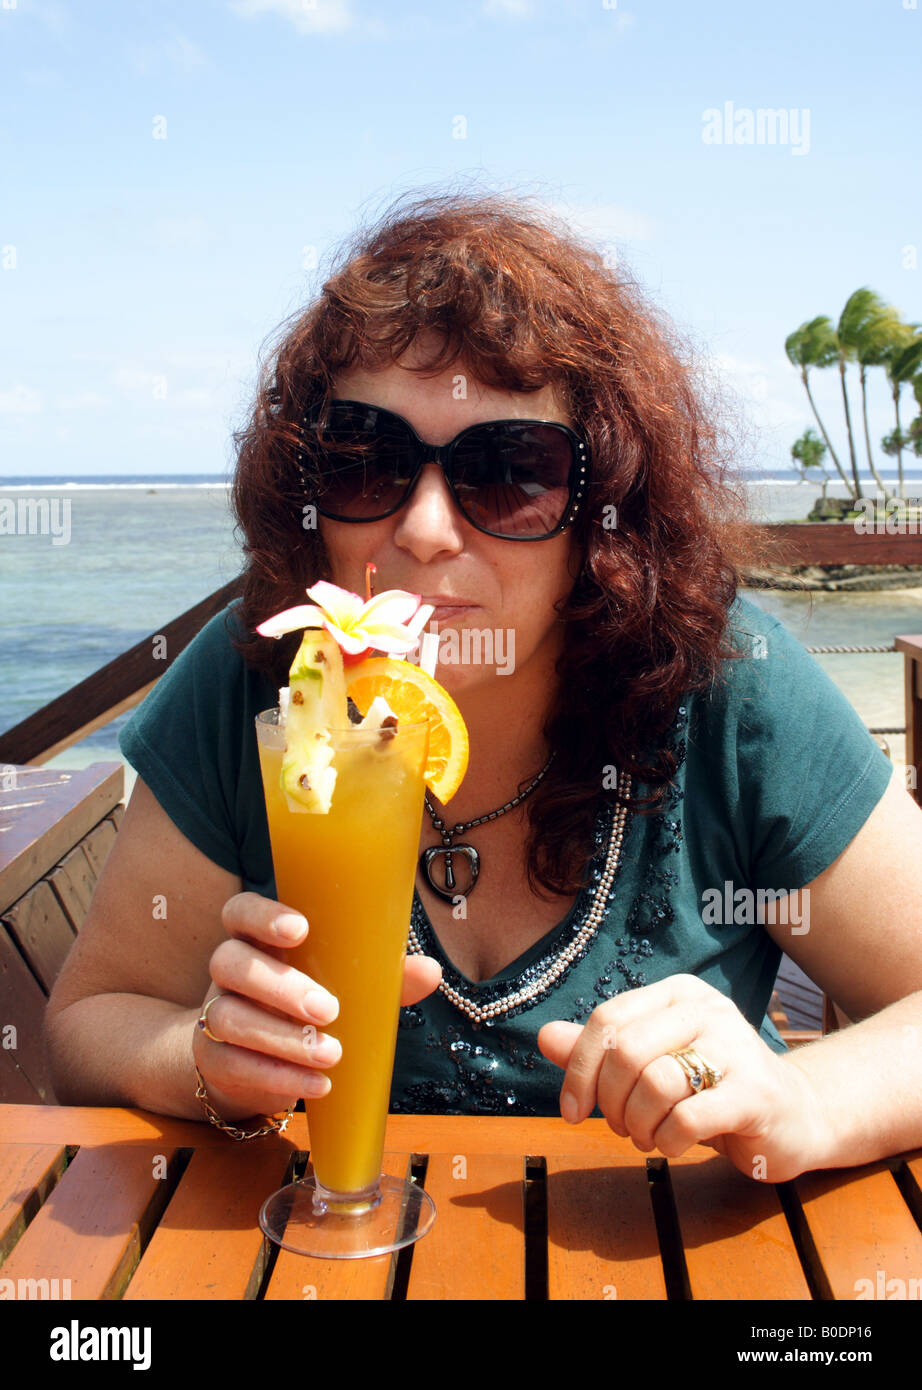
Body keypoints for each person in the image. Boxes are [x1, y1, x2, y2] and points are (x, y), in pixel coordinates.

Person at [45, 191, 922, 1185]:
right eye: (365, 461)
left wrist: (805, 1100)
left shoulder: (724, 686)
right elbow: (90, 1019)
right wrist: (202, 1059)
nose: (423, 528)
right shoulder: (261, 683)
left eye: (508, 472)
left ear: (602, 511)